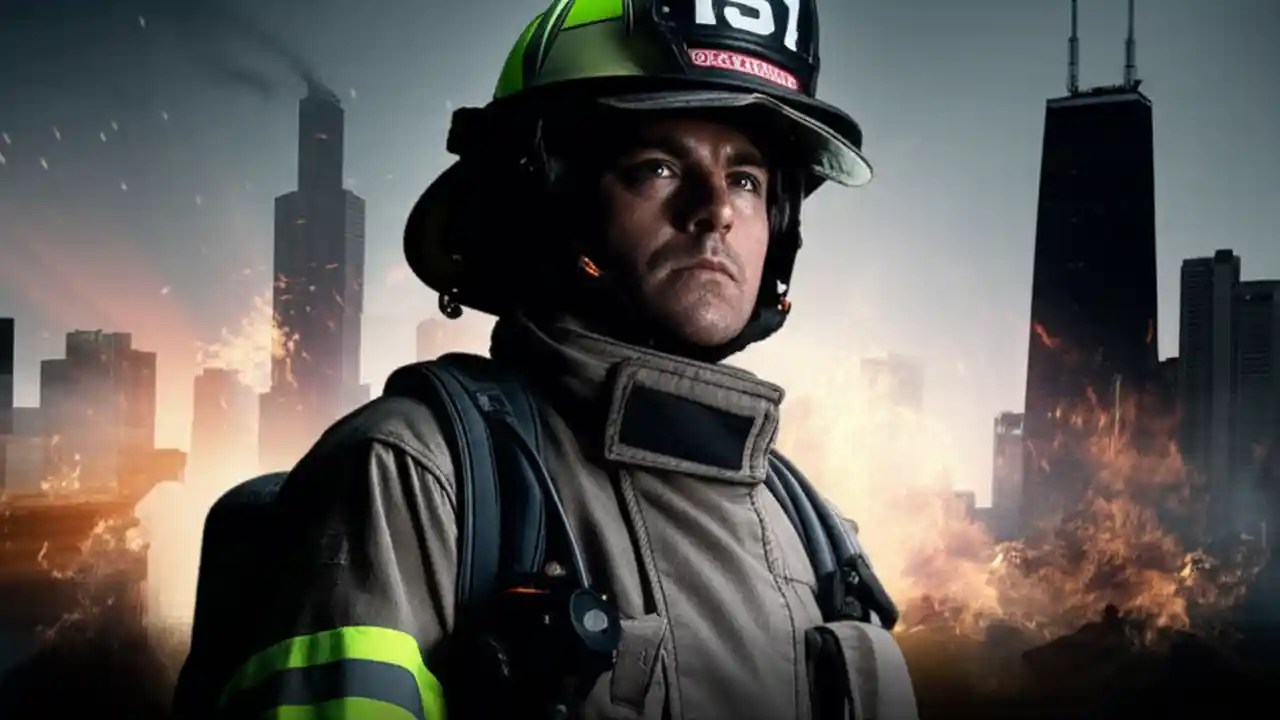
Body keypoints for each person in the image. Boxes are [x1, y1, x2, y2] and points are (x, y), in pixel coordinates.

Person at [187, 1, 918, 718]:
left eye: (749, 180)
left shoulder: (816, 533)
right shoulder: (410, 477)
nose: (717, 209)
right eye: (659, 166)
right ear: (545, 199)